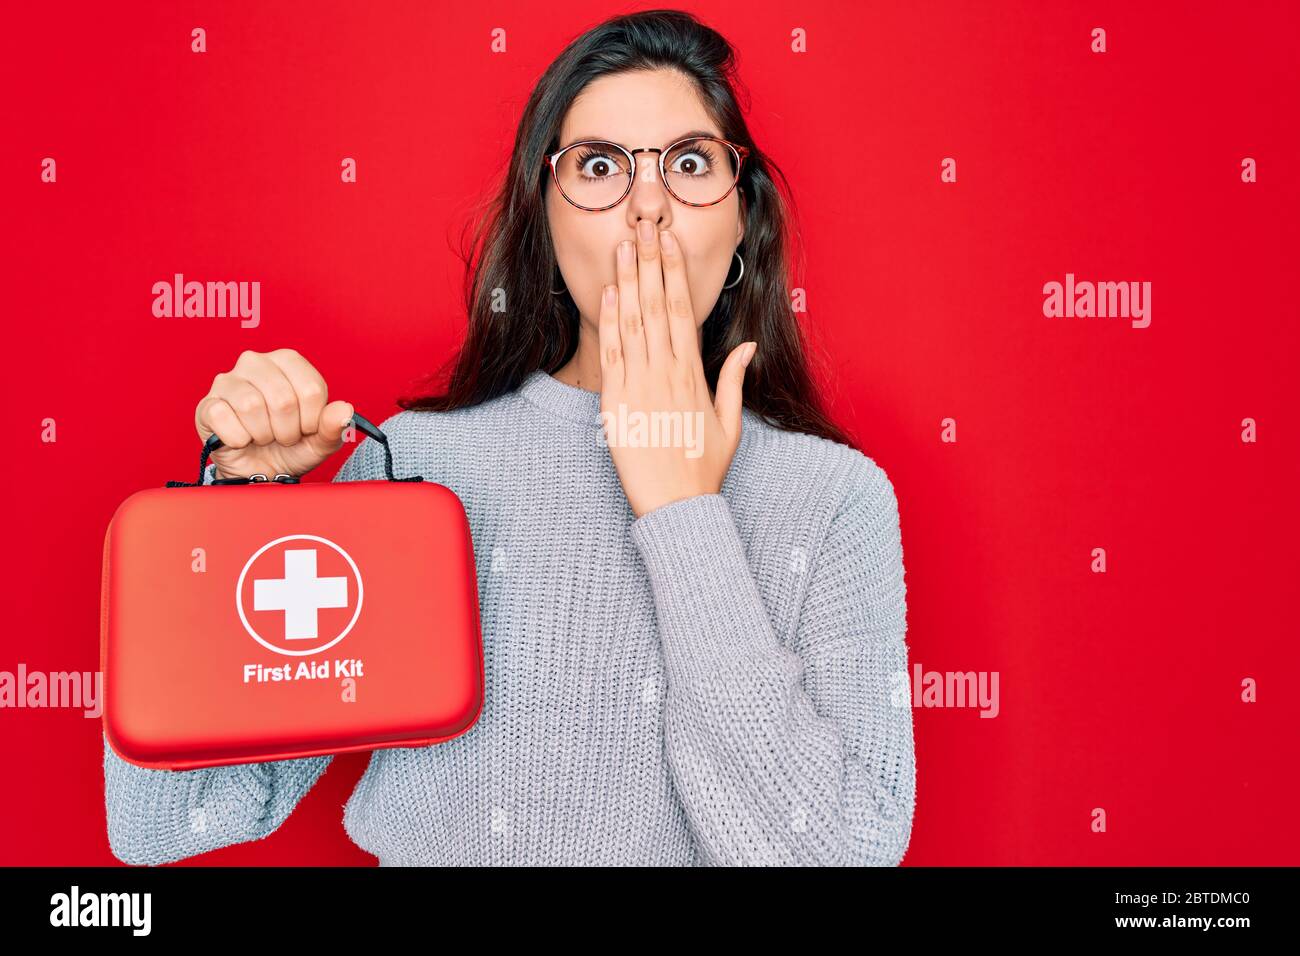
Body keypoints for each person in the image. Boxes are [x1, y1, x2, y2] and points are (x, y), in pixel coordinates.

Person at [104, 8, 916, 866]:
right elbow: (171, 820)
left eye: (688, 163)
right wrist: (237, 524)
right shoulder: (421, 471)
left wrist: (683, 511)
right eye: (600, 166)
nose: (648, 208)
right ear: (545, 221)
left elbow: (839, 854)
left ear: (742, 220)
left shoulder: (836, 500)